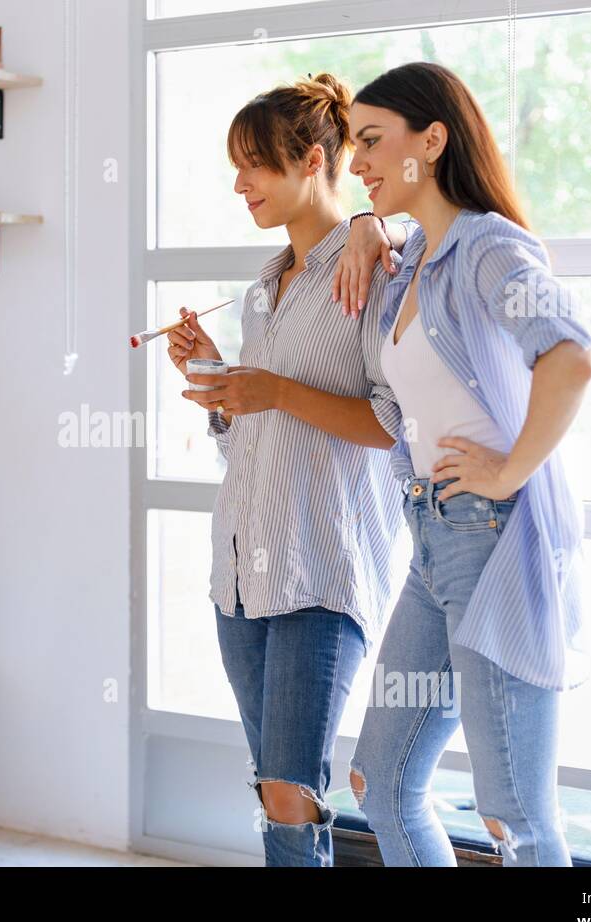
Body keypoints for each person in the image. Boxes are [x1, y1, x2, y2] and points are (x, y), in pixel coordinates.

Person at [342, 61, 591, 866]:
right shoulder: (415, 259)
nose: (358, 164)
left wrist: (508, 471)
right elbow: (394, 407)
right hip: (432, 533)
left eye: (372, 143)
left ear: (434, 138)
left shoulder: (487, 247)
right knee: (377, 783)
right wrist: (364, 224)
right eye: (353, 146)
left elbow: (570, 356)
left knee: (513, 817)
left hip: (488, 537)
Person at [170, 71, 410, 866]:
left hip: (323, 570)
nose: (239, 185)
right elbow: (253, 439)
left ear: (312, 160)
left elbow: (390, 423)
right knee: (274, 786)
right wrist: (218, 382)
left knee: (291, 793)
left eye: (256, 166)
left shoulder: (376, 263)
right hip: (241, 570)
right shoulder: (264, 289)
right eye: (236, 168)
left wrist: (273, 388)